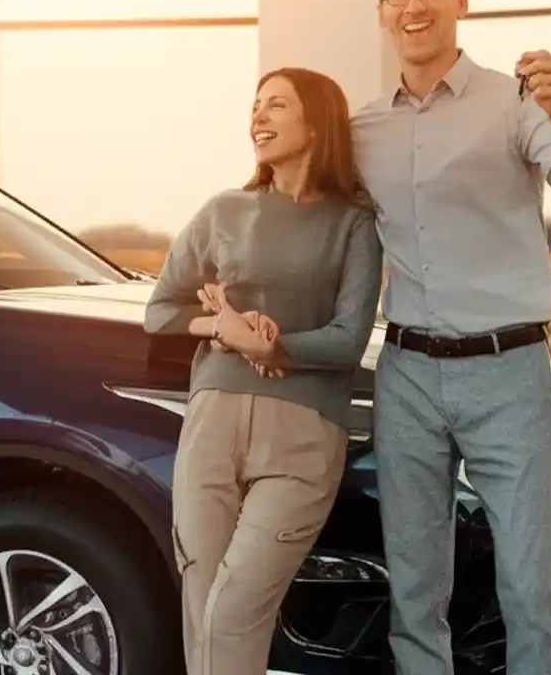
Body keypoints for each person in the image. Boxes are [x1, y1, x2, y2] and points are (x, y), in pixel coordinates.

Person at [353, 0, 551, 674]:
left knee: (531, 591)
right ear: (381, 12)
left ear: (460, 0)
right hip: (405, 373)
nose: (413, 5)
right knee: (415, 595)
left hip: (509, 375)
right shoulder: (361, 131)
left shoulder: (517, 102)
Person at [143, 66, 383, 675]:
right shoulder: (224, 210)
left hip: (302, 437)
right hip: (212, 426)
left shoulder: (354, 222)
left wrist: (274, 349)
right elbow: (161, 311)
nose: (259, 117)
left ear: (316, 122)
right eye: (255, 106)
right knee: (202, 606)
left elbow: (348, 340)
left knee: (234, 610)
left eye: (276, 105)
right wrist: (223, 328)